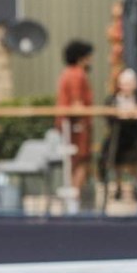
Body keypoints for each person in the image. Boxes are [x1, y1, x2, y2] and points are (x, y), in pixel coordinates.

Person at [97, 66, 137, 210]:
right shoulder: (112, 100)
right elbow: (108, 116)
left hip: (135, 138)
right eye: (124, 84)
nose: (127, 87)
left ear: (135, 84)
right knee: (111, 155)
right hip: (117, 139)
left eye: (130, 84)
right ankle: (118, 185)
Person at [54, 40, 94, 201]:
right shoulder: (77, 74)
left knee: (73, 161)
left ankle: (72, 196)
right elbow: (76, 101)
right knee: (81, 160)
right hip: (77, 126)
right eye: (88, 57)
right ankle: (74, 197)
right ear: (81, 58)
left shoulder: (66, 73)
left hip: (68, 125)